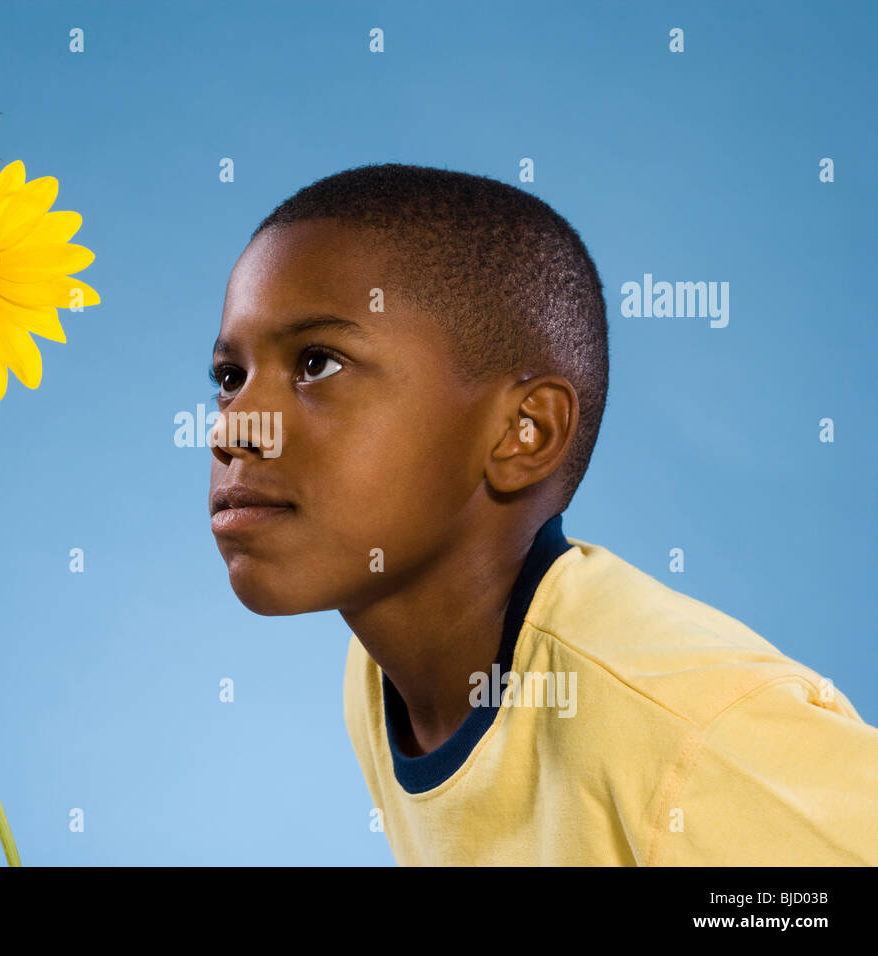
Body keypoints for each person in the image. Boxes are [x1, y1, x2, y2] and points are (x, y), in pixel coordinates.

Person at [206, 163, 878, 865]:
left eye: (318, 363)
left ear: (523, 432)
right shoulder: (381, 674)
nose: (234, 430)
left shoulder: (688, 734)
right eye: (230, 379)